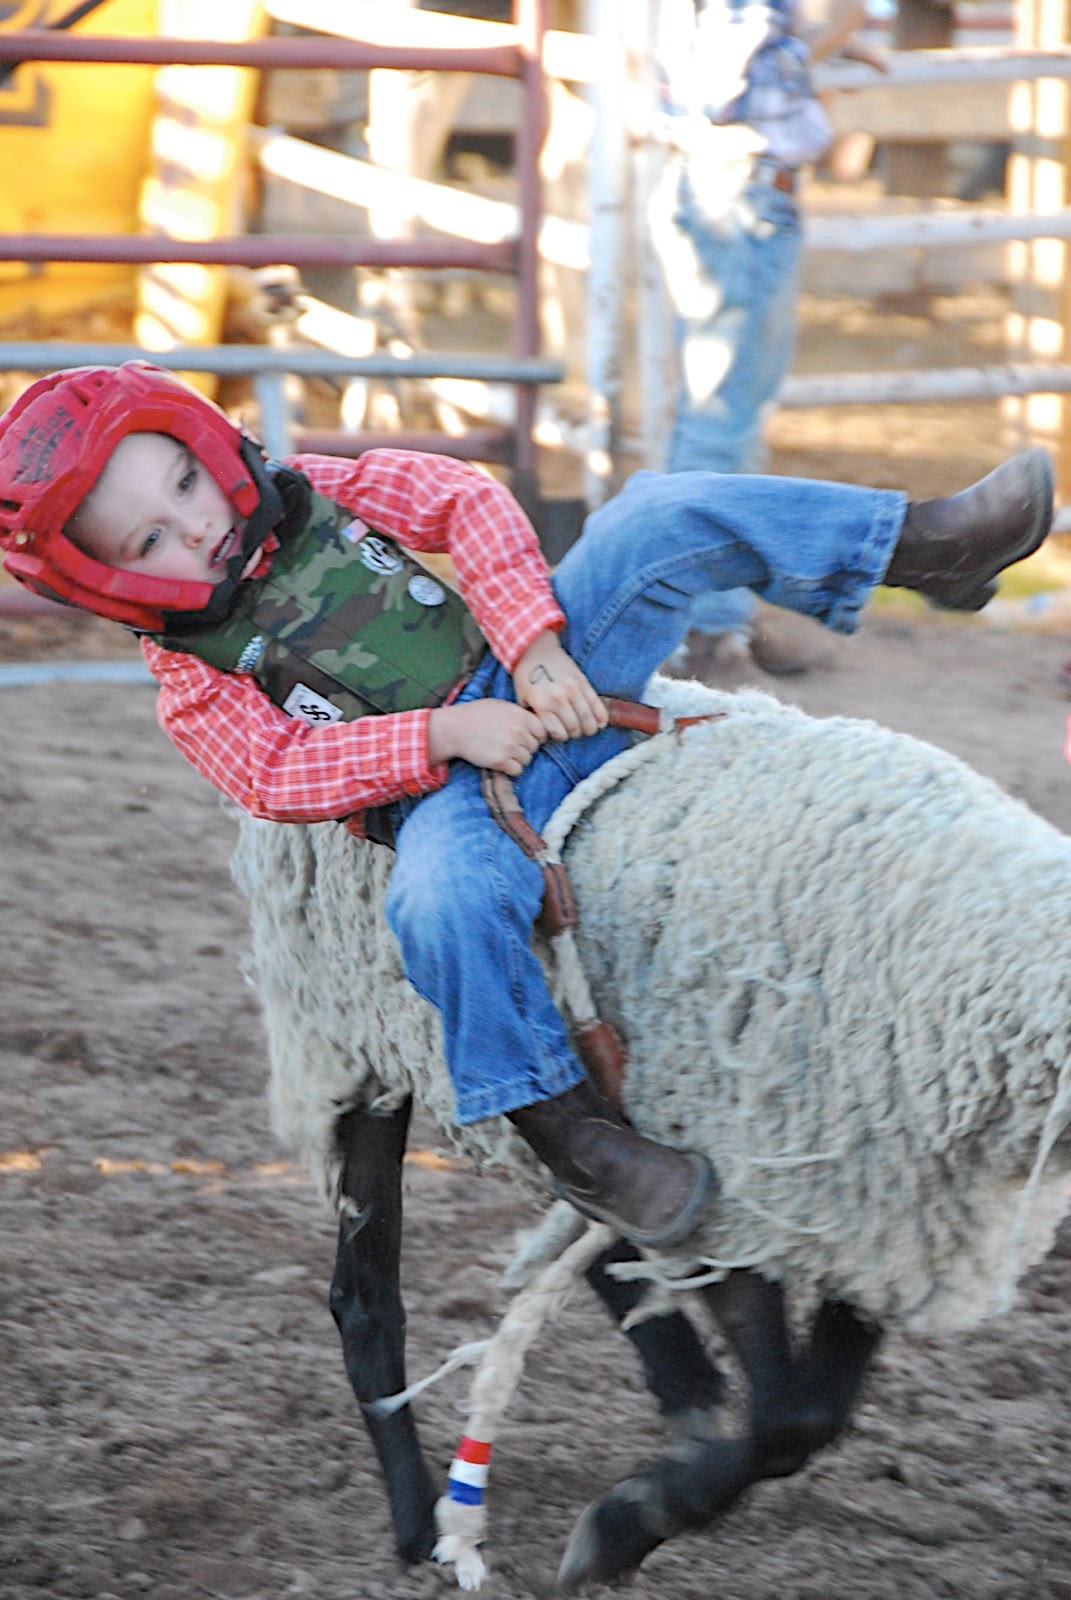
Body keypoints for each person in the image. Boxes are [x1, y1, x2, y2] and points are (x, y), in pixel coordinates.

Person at [0, 362, 1054, 1250]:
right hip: (451, 791)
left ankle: (926, 547)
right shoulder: (193, 677)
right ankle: (568, 1129)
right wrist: (440, 738)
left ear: (206, 443)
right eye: (148, 543)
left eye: (185, 481)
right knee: (438, 906)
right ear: (105, 582)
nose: (196, 526)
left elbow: (462, 502)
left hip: (549, 673)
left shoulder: (316, 487)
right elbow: (274, 774)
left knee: (654, 517)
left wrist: (531, 640)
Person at [653, 0, 885, 680]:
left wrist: (814, 42)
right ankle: (710, 627)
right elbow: (731, 84)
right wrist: (837, 29)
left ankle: (698, 614)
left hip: (724, 186)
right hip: (742, 189)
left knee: (711, 413)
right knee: (720, 418)